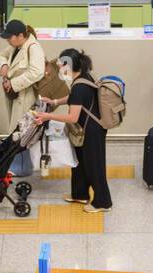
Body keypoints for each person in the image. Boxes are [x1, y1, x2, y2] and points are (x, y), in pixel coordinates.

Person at [34, 50, 111, 213]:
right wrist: (54, 101)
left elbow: (73, 117)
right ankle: (80, 194)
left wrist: (49, 116)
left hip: (92, 131)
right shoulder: (84, 77)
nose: (59, 69)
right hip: (87, 128)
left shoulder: (79, 86)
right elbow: (73, 99)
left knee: (94, 166)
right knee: (80, 162)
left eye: (61, 65)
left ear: (68, 66)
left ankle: (103, 202)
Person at [0, 20, 46, 138]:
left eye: (10, 37)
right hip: (15, 95)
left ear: (20, 35)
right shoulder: (16, 46)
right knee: (17, 131)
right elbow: (2, 55)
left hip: (25, 97)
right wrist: (4, 65)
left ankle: (20, 156)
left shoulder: (33, 48)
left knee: (21, 133)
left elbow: (37, 72)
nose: (7, 40)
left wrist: (13, 84)